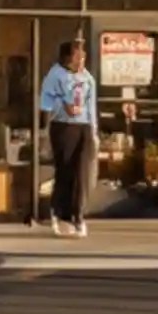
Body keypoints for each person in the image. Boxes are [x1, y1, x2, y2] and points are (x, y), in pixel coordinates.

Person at [40, 40, 97, 237]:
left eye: (82, 57)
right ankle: (59, 213)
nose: (81, 60)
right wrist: (63, 106)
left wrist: (94, 131)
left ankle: (78, 216)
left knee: (82, 173)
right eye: (76, 57)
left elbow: (91, 105)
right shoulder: (56, 75)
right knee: (65, 172)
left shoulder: (87, 77)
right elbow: (46, 103)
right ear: (66, 58)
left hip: (84, 127)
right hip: (64, 126)